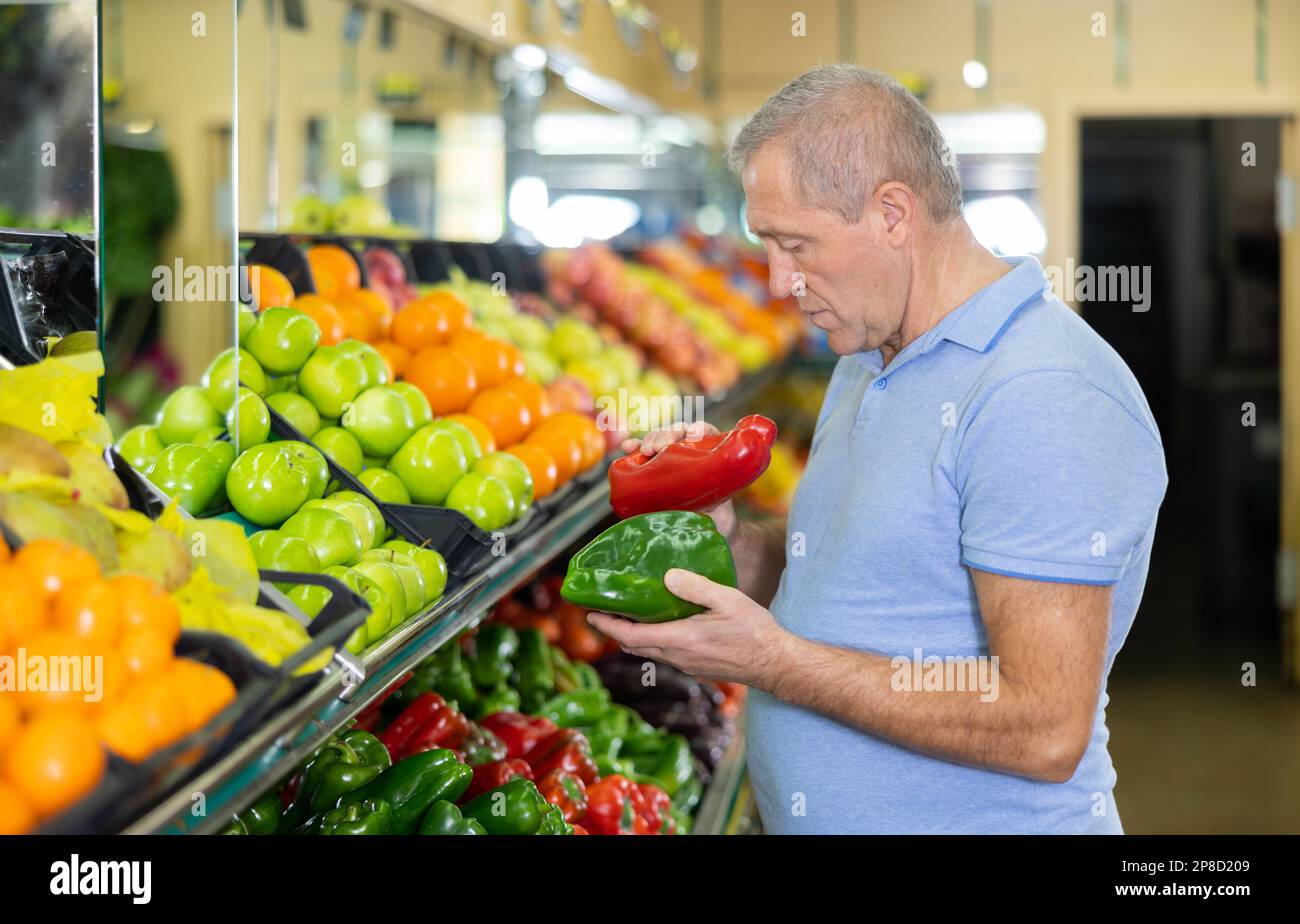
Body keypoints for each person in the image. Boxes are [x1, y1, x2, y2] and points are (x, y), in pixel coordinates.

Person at [588, 64, 1168, 834]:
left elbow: (1044, 726)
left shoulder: (1044, 390)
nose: (778, 280)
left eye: (796, 245)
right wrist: (719, 537)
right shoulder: (867, 358)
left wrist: (774, 664)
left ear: (893, 213)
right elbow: (839, 581)